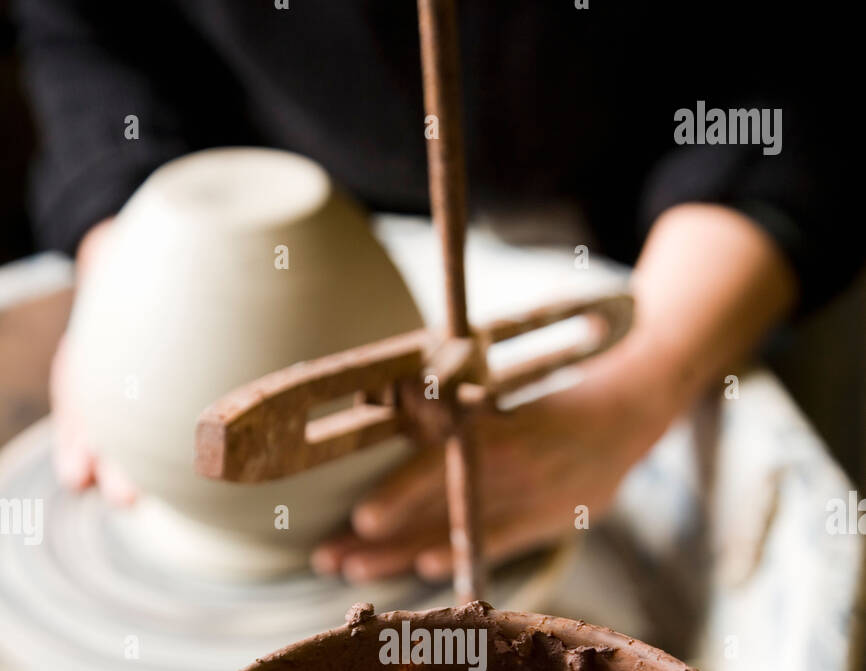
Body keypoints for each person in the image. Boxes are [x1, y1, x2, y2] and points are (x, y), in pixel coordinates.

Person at [14, 0, 862, 583]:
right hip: (265, 202)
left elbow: (805, 78)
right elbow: (91, 32)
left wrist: (638, 384)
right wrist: (133, 274)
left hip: (659, 225)